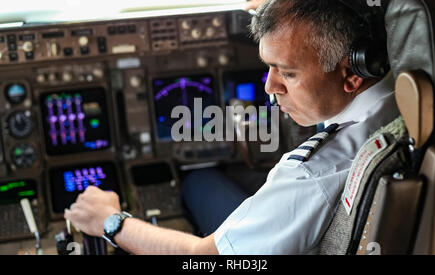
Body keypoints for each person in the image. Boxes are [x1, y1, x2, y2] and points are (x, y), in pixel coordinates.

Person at [64, 0, 399, 254]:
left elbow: (205, 256)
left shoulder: (313, 174)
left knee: (197, 181)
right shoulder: (401, 96)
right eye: (269, 66)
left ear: (352, 74)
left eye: (289, 73)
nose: (270, 86)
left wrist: (110, 221)